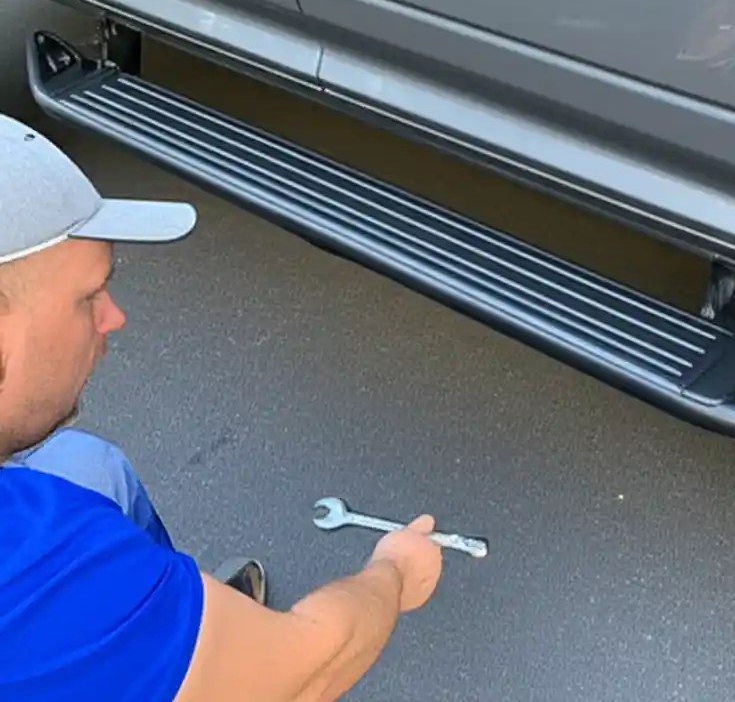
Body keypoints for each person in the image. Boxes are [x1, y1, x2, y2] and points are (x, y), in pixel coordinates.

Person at [0, 113, 445, 701]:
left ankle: (171, 617)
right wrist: (391, 574)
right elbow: (306, 668)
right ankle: (175, 653)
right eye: (88, 299)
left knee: (92, 467)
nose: (113, 318)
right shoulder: (36, 560)